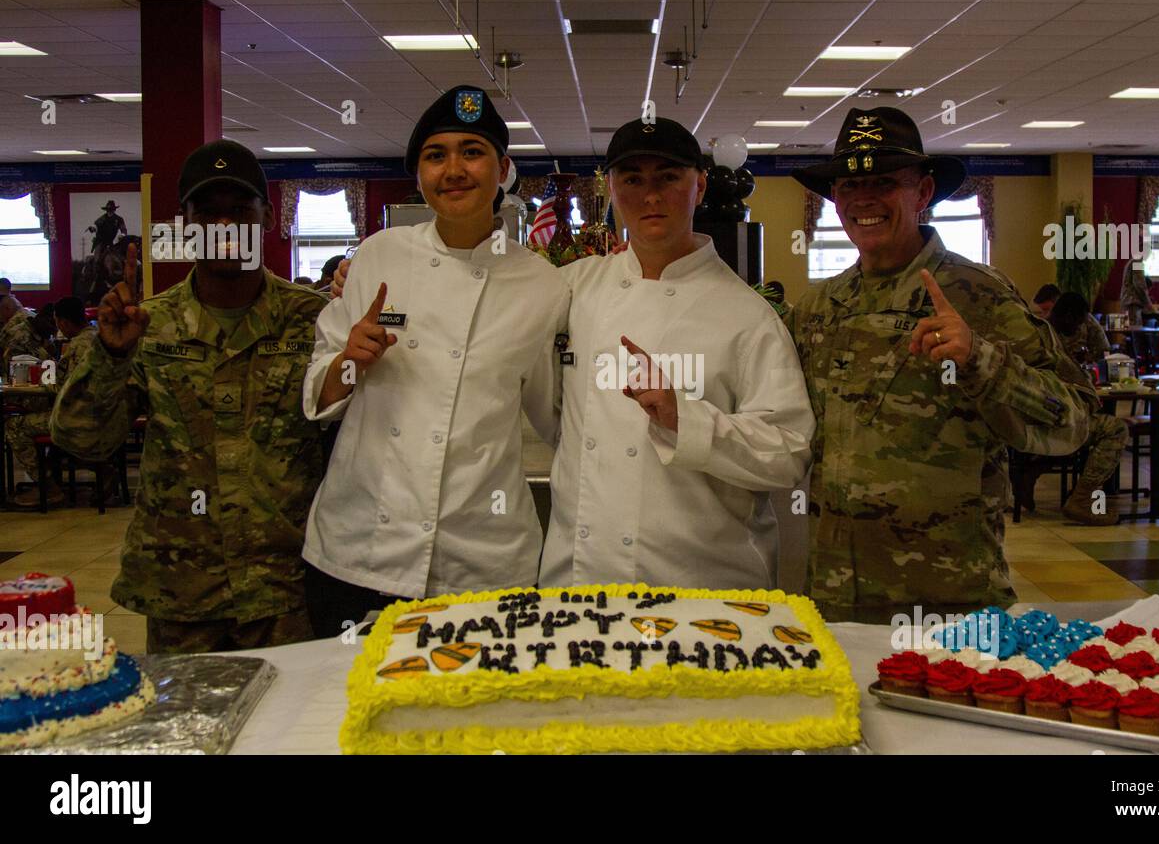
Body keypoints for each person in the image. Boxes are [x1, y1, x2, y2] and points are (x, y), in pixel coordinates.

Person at [783, 107, 1096, 623]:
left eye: (883, 182)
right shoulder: (819, 308)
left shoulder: (979, 295)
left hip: (951, 603)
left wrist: (982, 359)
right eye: (847, 186)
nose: (862, 200)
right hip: (836, 597)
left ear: (923, 193)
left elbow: (1077, 422)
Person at [301, 86, 568, 635]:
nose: (454, 169)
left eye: (472, 151)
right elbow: (319, 395)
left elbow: (556, 413)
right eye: (435, 155)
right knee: (345, 710)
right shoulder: (378, 255)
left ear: (504, 169)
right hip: (361, 548)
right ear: (419, 174)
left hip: (483, 554)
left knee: (474, 715)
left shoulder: (541, 284)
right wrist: (349, 361)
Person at [51, 139, 328, 654]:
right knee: (190, 733)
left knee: (293, 732)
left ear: (267, 218)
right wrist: (110, 360)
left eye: (240, 212)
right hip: (182, 591)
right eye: (208, 213)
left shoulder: (314, 320)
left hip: (287, 588)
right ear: (185, 223)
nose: (225, 228)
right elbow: (82, 442)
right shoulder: (148, 325)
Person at [537, 118, 814, 589]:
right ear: (612, 188)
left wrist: (684, 419)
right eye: (632, 179)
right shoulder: (572, 289)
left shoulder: (747, 316)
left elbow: (789, 453)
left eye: (668, 177)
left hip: (705, 584)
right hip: (580, 582)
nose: (650, 195)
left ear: (700, 184)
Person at [1036, 292, 1129, 526]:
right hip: (1055, 416)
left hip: (1041, 416)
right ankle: (1083, 496)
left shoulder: (1037, 332)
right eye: (1077, 321)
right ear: (1068, 316)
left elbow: (1103, 353)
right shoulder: (1046, 337)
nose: (1080, 326)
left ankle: (1028, 475)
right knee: (1115, 429)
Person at [7, 297, 98, 507]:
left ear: (64, 322)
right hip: (97, 412)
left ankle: (48, 488)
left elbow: (68, 387)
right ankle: (100, 467)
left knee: (14, 426)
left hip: (76, 415)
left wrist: (35, 384)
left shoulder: (78, 346)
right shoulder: (97, 337)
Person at [0, 294, 49, 368]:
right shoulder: (32, 315)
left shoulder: (12, 325)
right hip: (43, 367)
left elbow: (2, 346)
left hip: (20, 371)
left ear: (7, 308)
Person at [1119, 259, 1152, 326]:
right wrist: (1149, 305)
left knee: (1128, 330)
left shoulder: (1131, 262)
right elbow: (1140, 286)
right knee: (1134, 331)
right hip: (1132, 304)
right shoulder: (1137, 262)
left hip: (1127, 302)